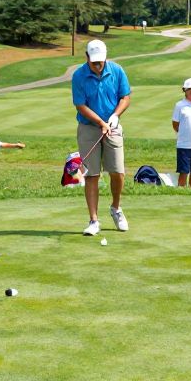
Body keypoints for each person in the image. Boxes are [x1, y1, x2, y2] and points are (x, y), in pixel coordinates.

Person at [71, 39, 131, 237]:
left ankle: (115, 208)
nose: (98, 66)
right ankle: (94, 220)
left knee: (118, 172)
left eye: (101, 62)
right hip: (89, 128)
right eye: (94, 62)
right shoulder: (79, 75)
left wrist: (114, 116)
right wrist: (101, 123)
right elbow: (80, 105)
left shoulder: (117, 70)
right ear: (87, 57)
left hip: (113, 126)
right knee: (92, 175)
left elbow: (125, 97)